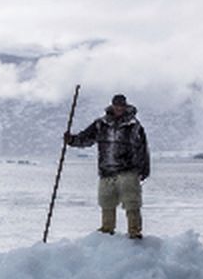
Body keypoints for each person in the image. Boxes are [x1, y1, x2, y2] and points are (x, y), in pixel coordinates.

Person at [64, 94, 150, 239]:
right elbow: (86, 138)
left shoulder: (134, 126)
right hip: (106, 170)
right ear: (112, 105)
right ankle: (107, 230)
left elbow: (143, 149)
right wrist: (72, 140)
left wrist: (144, 170)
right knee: (106, 202)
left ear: (125, 106)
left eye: (121, 105)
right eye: (116, 105)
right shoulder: (100, 124)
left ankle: (134, 231)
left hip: (128, 170)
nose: (119, 108)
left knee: (132, 202)